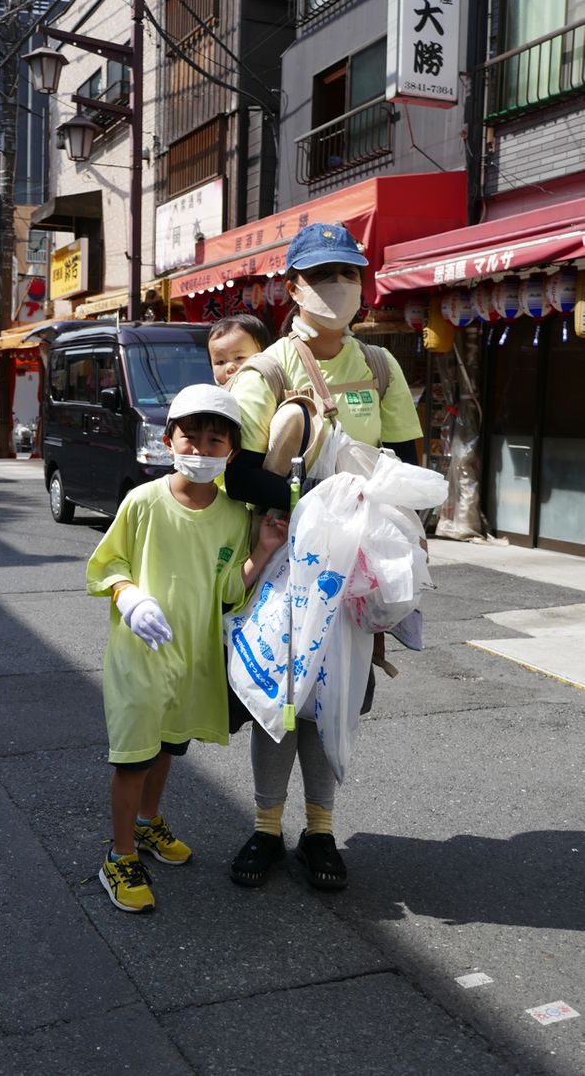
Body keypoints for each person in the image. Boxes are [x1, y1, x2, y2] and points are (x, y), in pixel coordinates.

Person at [224, 221, 423, 891]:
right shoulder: (269, 370)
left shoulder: (380, 367)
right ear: (294, 286)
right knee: (282, 696)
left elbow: (410, 463)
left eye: (350, 274)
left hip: (354, 568)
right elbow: (238, 472)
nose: (341, 288)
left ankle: (319, 832)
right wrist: (309, 496)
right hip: (284, 561)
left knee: (334, 696)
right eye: (325, 276)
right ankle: (263, 827)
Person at [86, 383, 287, 913]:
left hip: (194, 656)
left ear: (232, 451)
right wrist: (129, 598)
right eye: (189, 438)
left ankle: (149, 824)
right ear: (168, 440)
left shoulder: (231, 516)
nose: (199, 451)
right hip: (139, 654)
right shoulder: (143, 501)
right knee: (133, 757)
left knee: (170, 746)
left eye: (214, 441)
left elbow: (227, 589)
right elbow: (108, 563)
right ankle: (119, 854)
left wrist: (263, 550)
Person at [207, 314, 271, 386]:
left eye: (239, 358)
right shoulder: (215, 395)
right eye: (220, 362)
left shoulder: (275, 389)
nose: (229, 367)